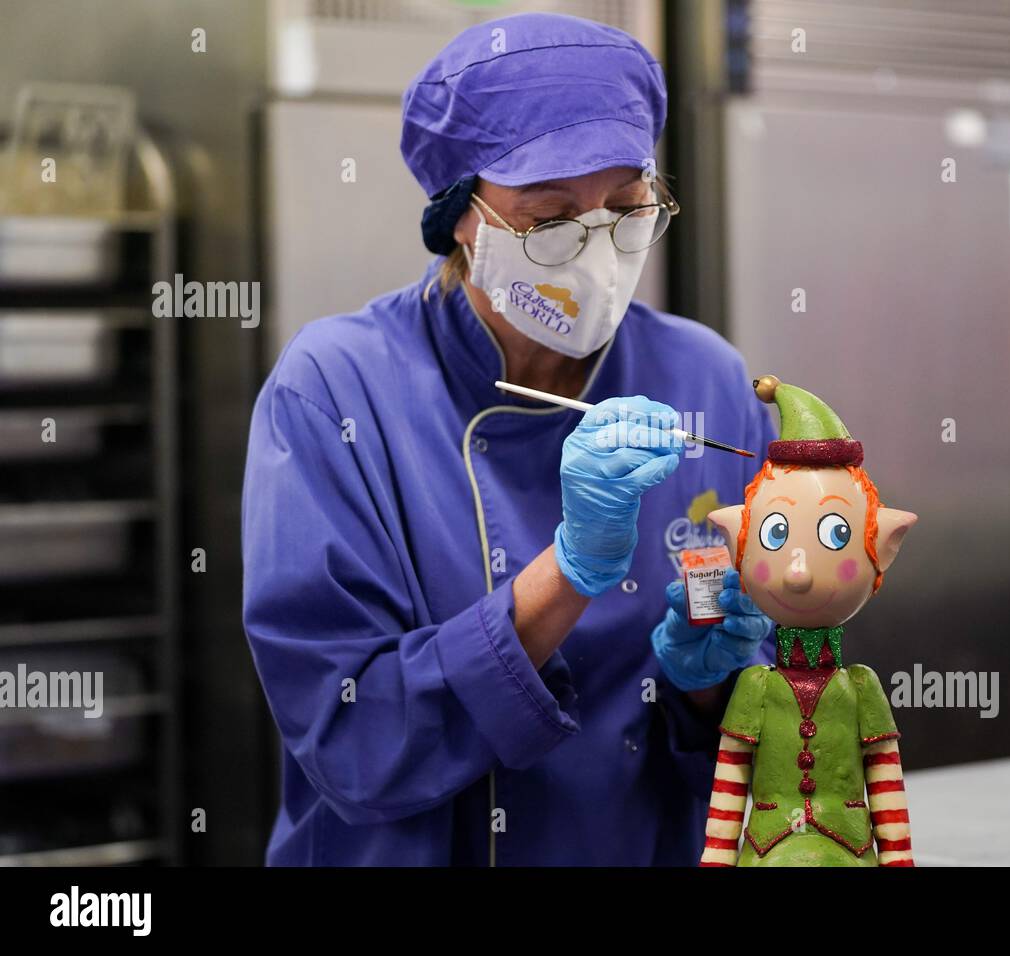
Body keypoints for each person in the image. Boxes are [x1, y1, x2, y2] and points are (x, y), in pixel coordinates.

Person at [241, 12, 777, 866]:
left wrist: (713, 685)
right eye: (550, 219)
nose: (598, 253)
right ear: (463, 215)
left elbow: (764, 751)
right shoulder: (338, 391)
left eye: (627, 208)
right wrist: (568, 572)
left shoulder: (703, 380)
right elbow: (350, 737)